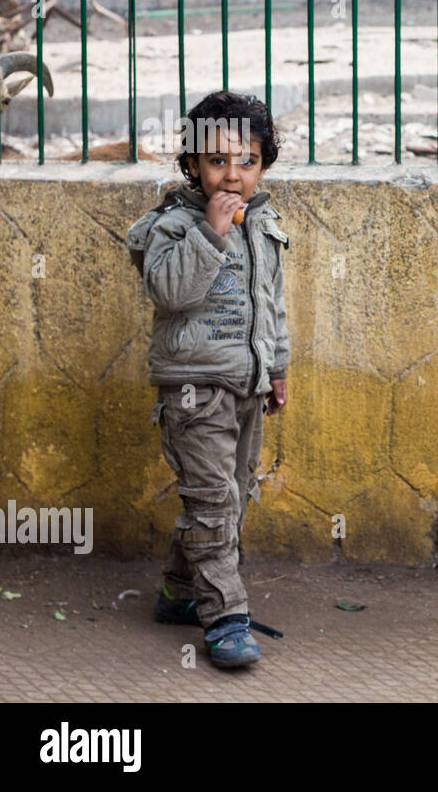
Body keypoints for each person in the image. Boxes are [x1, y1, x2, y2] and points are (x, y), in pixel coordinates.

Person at [126, 90, 292, 669]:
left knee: (231, 497)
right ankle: (225, 617)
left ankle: (177, 591)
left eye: (246, 162)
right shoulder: (170, 227)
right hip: (193, 393)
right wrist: (210, 235)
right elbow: (171, 292)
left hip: (246, 387)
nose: (232, 175)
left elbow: (271, 303)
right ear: (192, 166)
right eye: (217, 161)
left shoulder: (264, 223)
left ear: (264, 166)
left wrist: (277, 368)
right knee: (213, 503)